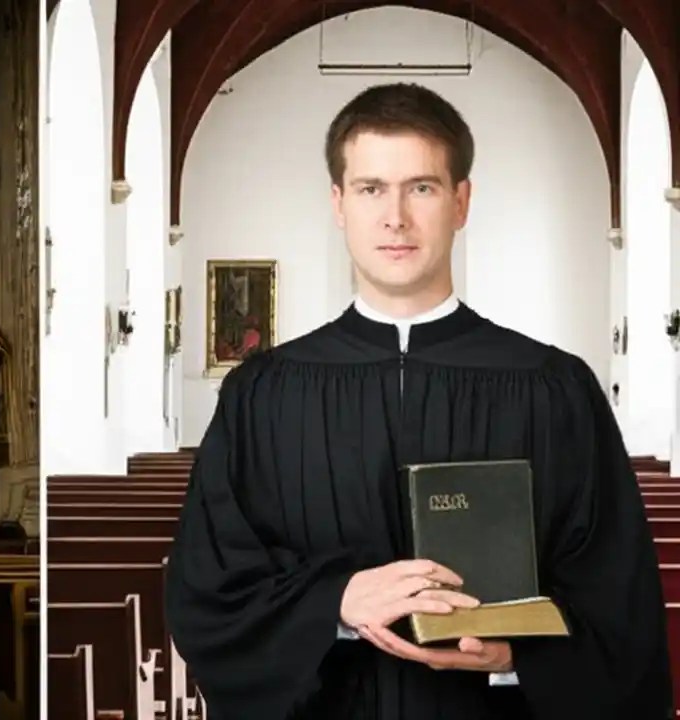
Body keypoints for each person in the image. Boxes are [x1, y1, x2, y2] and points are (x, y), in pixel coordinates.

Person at [163, 82, 673, 719]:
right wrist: (337, 602)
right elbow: (209, 592)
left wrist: (519, 658)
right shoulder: (262, 394)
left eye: (422, 187)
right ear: (338, 203)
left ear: (461, 201)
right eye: (371, 188)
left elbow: (617, 605)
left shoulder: (553, 388)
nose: (395, 217)